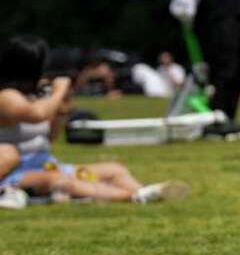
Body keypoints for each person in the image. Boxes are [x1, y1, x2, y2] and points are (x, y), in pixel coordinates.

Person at [0, 36, 190, 204]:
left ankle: (142, 190)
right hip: (13, 172)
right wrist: (58, 92)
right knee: (60, 181)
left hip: (46, 163)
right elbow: (36, 115)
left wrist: (62, 112)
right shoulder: (7, 96)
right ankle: (133, 197)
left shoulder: (38, 97)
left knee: (113, 170)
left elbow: (48, 137)